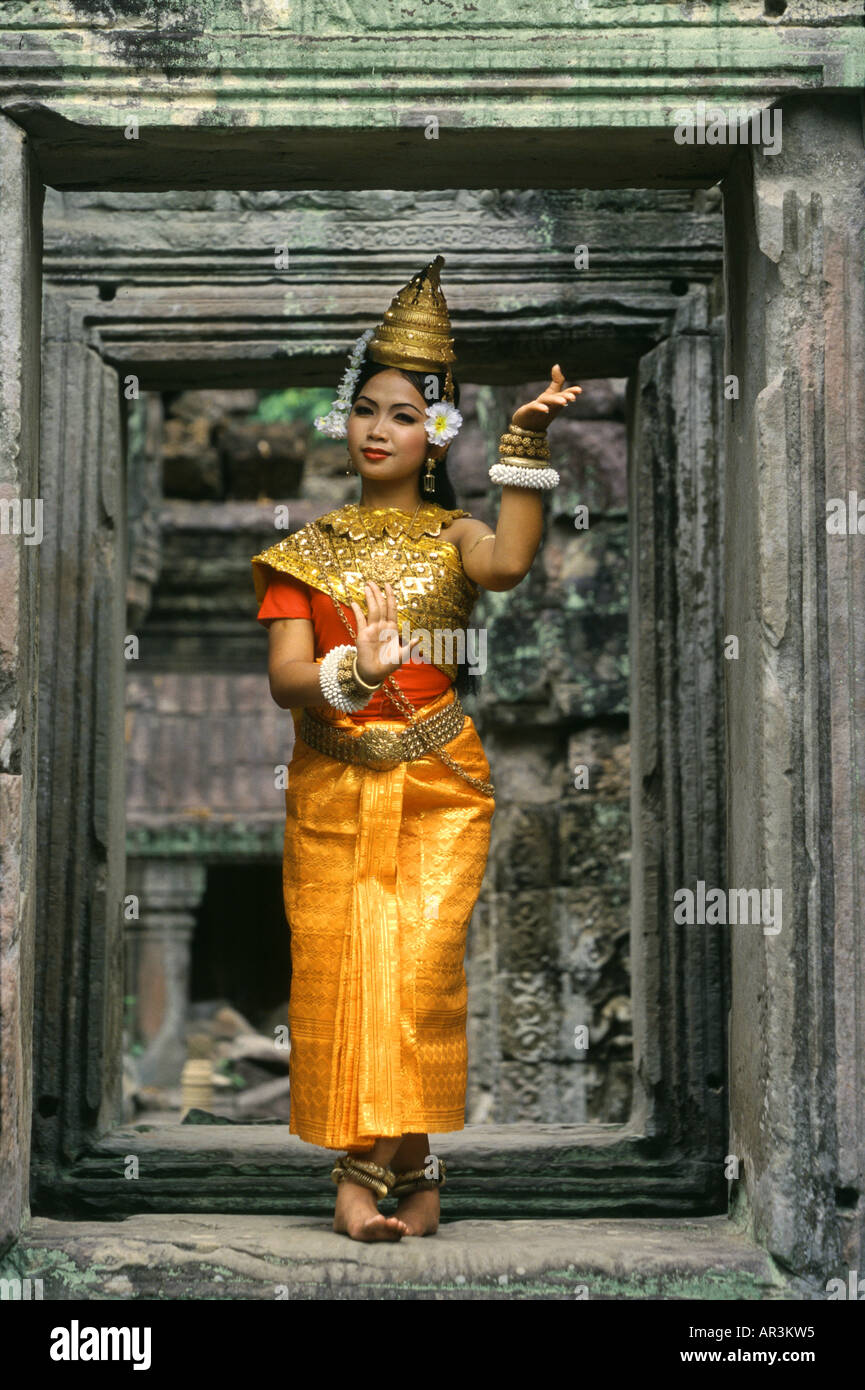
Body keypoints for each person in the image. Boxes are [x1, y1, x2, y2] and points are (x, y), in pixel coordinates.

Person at [251, 256, 580, 1241]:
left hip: (439, 777)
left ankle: (365, 1176)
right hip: (332, 782)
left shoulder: (457, 535)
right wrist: (355, 668)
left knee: (420, 972)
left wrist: (523, 440)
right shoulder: (300, 552)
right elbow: (285, 677)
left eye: (402, 413)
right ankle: (413, 1170)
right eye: (365, 410)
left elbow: (513, 562)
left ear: (435, 430)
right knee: (347, 971)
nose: (378, 428)